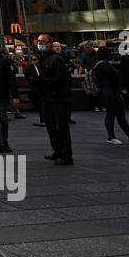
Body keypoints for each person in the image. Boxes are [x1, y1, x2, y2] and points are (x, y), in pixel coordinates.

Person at [36, 33, 73, 164]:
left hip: (58, 98)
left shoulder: (57, 59)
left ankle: (66, 155)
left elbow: (61, 80)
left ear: (50, 43)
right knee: (50, 126)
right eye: (39, 41)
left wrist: (43, 81)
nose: (40, 43)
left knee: (62, 127)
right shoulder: (43, 58)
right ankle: (57, 150)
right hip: (46, 98)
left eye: (43, 41)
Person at [93, 48, 129, 144]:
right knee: (114, 114)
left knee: (115, 114)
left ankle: (128, 137)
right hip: (110, 90)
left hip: (108, 90)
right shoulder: (104, 65)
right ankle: (115, 136)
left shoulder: (100, 65)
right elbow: (115, 76)